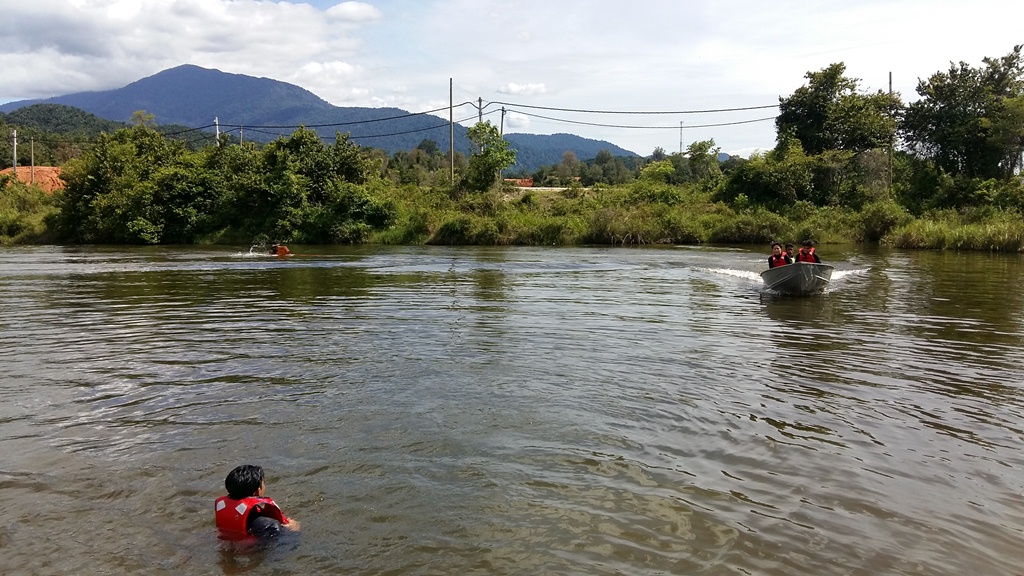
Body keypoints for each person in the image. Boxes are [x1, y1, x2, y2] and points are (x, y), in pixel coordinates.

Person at [215, 464, 299, 541]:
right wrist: (293, 529)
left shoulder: (228, 511)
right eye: (263, 483)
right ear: (258, 491)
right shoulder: (270, 525)